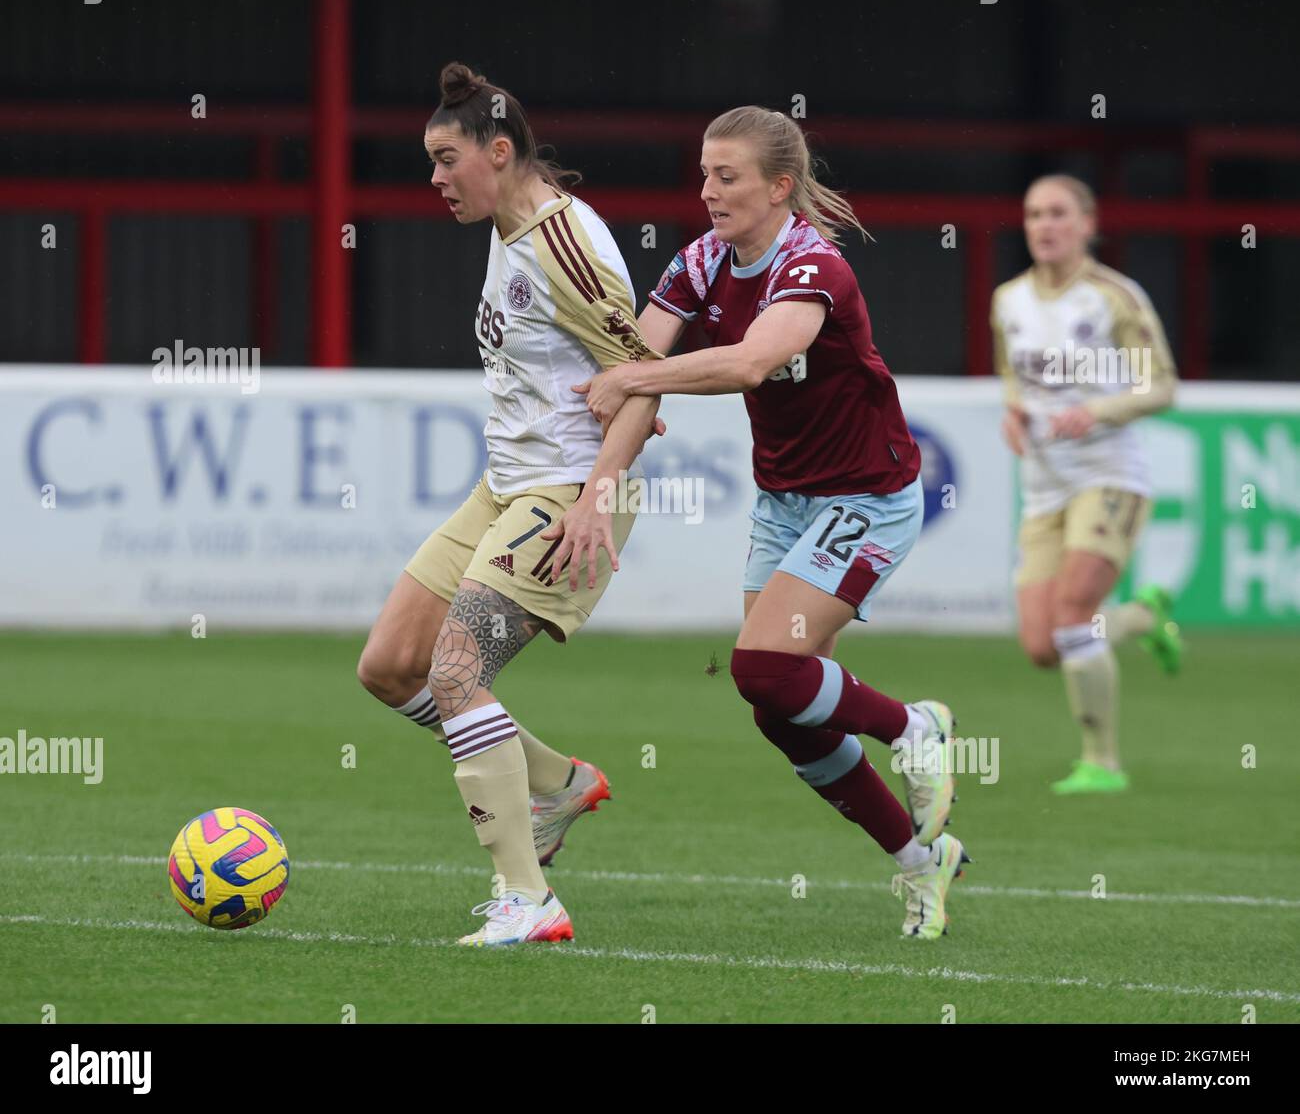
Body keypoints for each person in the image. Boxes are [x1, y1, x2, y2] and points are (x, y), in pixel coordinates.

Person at [577, 105, 968, 940]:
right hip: (786, 497)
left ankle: (916, 725)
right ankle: (920, 863)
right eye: (705, 174)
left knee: (760, 665)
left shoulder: (812, 264)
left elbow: (747, 361)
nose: (708, 190)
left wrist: (639, 377)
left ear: (779, 186)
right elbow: (639, 379)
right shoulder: (700, 260)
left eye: (728, 176)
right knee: (781, 707)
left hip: (866, 495)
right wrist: (599, 484)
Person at [356, 62, 663, 946]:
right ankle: (559, 783)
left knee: (456, 673)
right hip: (505, 488)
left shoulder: (563, 245)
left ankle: (530, 900)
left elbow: (642, 384)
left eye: (448, 159)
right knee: (390, 664)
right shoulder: (507, 221)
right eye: (430, 161)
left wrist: (596, 500)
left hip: (569, 491)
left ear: (499, 150)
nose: (436, 179)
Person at [992, 173, 1182, 795]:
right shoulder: (1009, 300)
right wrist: (1013, 412)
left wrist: (1097, 412)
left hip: (1110, 473)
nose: (1043, 225)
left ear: (1087, 225)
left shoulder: (1114, 297)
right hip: (1044, 483)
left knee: (1074, 615)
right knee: (1043, 645)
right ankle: (1140, 619)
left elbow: (1162, 385)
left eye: (1056, 214)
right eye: (1033, 215)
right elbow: (1013, 377)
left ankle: (1102, 763)